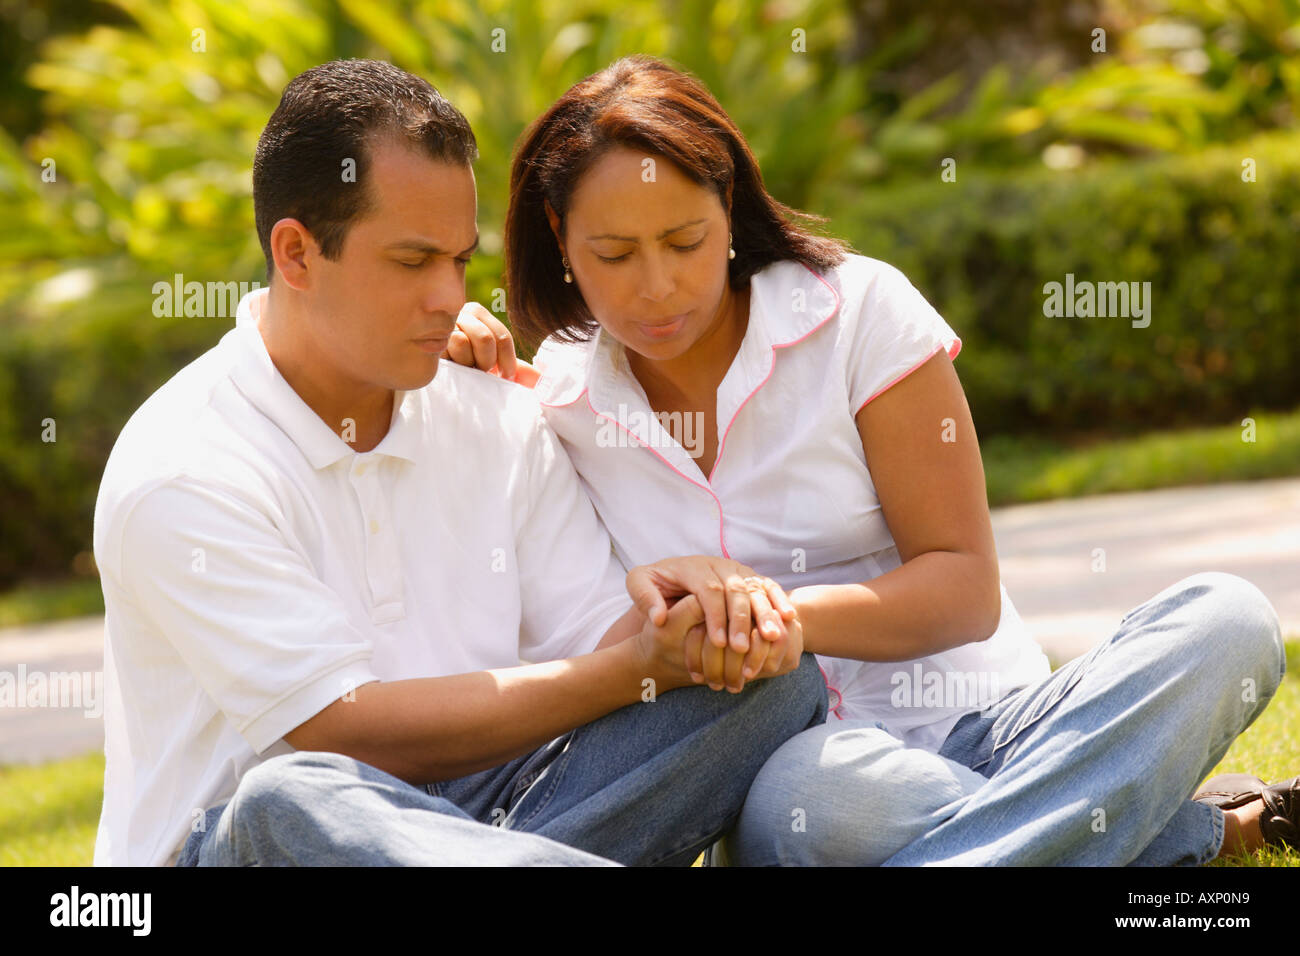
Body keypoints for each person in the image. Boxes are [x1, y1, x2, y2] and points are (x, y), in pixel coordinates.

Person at [449, 54, 1296, 865]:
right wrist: (450, 359)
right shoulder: (560, 395)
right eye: (615, 255)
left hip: (999, 726)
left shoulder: (859, 315)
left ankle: (1057, 826)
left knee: (1228, 618)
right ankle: (1189, 836)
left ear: (731, 206)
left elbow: (962, 585)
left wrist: (776, 620)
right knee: (822, 804)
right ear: (560, 236)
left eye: (684, 240)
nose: (658, 286)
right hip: (812, 776)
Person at [90, 58, 828, 868]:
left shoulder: (499, 419)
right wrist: (631, 670)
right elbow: (344, 730)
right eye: (413, 262)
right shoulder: (186, 466)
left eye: (460, 261)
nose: (449, 297)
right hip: (276, 845)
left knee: (769, 678)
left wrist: (695, 617)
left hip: (491, 826)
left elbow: (598, 642)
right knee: (291, 795)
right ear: (296, 254)